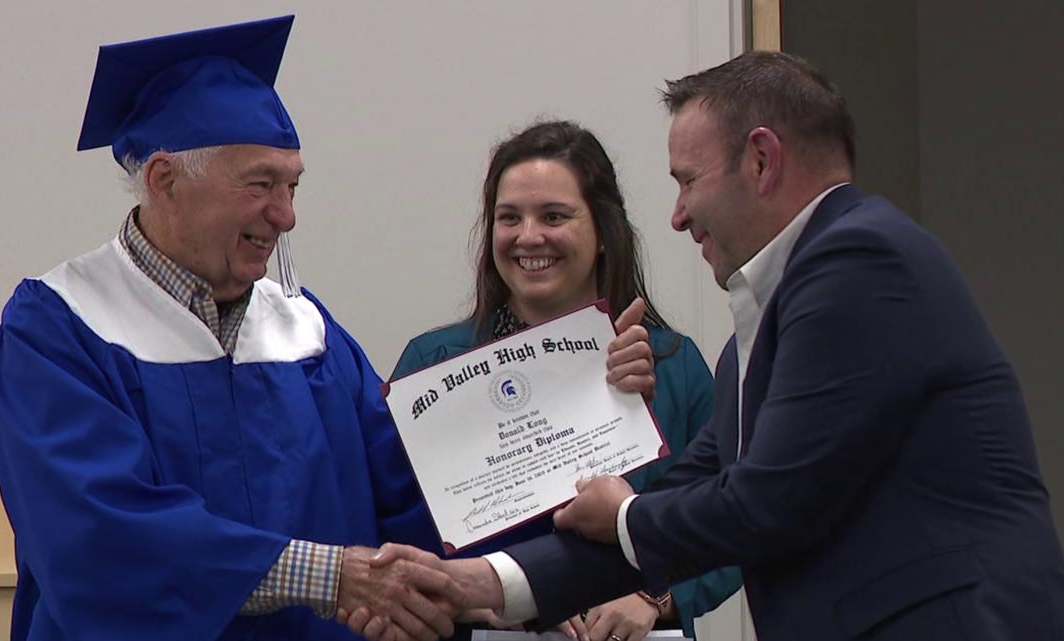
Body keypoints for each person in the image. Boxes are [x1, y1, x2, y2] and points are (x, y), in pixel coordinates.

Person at [360, 51, 1064, 641]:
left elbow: (768, 500)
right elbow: (692, 490)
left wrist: (628, 514)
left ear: (761, 160)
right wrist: (482, 582)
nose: (675, 215)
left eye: (686, 180)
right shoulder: (754, 335)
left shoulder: (860, 261)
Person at [0, 16, 465, 641]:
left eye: (292, 186)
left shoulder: (308, 334)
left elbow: (419, 496)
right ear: (165, 181)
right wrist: (329, 577)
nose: (286, 216)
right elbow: (100, 537)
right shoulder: (59, 330)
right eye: (261, 184)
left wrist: (574, 417)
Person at [391, 120, 741, 640]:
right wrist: (485, 596)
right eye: (509, 218)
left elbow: (735, 523)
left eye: (554, 216)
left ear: (603, 231)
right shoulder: (434, 364)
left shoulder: (671, 364)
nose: (528, 236)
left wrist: (657, 597)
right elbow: (395, 527)